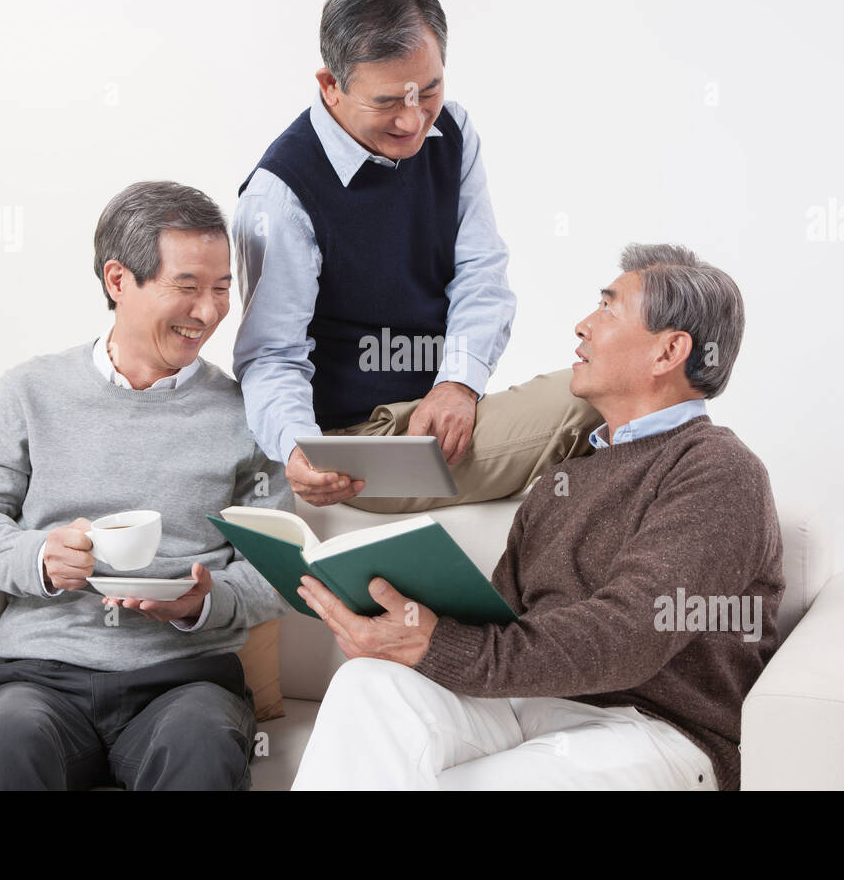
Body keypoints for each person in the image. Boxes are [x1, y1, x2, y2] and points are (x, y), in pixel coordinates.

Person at [290, 244, 784, 790]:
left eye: (608, 308)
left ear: (669, 351)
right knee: (370, 684)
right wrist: (403, 625)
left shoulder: (719, 470)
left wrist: (441, 645)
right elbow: (506, 622)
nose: (582, 325)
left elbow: (631, 635)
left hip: (655, 731)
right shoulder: (565, 476)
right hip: (529, 703)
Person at [0, 181, 293, 790]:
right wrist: (40, 557)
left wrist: (201, 602)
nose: (208, 312)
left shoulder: (246, 413)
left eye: (221, 287)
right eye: (187, 287)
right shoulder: (31, 391)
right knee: (1, 751)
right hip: (41, 677)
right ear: (119, 280)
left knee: (202, 749)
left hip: (187, 680)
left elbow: (279, 566)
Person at [232, 0, 601, 514]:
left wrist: (457, 384)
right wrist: (297, 449)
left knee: (619, 386)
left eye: (427, 92)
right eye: (387, 103)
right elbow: (272, 354)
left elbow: (480, 271)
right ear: (330, 84)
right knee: (600, 401)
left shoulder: (451, 131)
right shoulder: (279, 194)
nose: (413, 120)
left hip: (434, 407)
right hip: (358, 442)